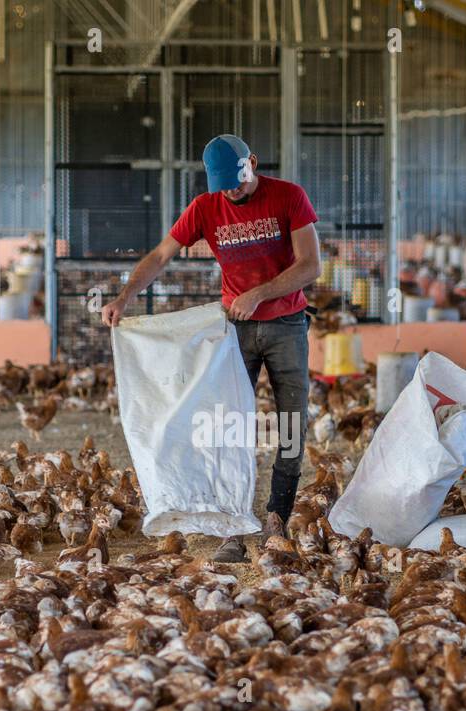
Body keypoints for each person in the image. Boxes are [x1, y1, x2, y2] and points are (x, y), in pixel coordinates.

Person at [101, 134, 321, 563]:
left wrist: (259, 293)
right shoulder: (205, 207)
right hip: (233, 330)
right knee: (224, 428)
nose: (232, 191)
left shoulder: (289, 197)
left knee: (292, 422)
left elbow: (310, 265)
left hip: (286, 325)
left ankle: (277, 516)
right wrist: (124, 296)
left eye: (238, 181)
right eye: (223, 185)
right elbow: (162, 255)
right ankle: (230, 526)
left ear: (252, 163)